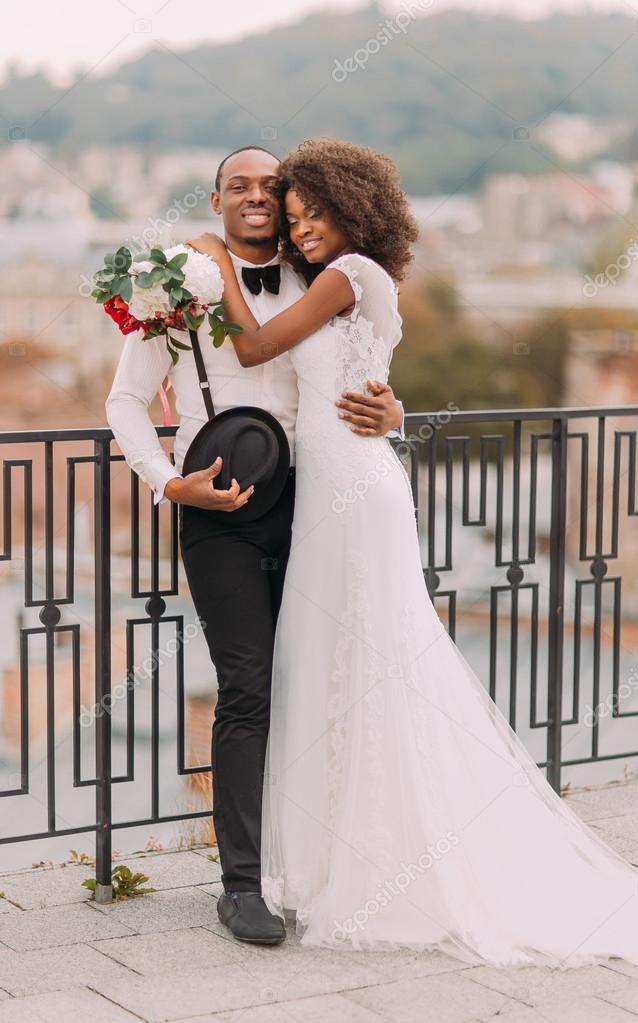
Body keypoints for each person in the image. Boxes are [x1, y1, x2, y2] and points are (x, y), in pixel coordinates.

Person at [188, 136, 638, 971]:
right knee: (340, 667)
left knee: (371, 664)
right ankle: (342, 855)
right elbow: (352, 372)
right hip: (333, 492)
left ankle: (383, 861)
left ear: (354, 209)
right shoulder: (333, 281)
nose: (301, 231)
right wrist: (398, 411)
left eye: (313, 216)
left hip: (354, 497)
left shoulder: (355, 275)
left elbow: (256, 348)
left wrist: (212, 262)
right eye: (295, 218)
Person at [105, 145, 405, 946]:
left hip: (316, 503)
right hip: (220, 510)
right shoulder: (175, 288)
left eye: (269, 186)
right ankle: (241, 884)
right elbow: (126, 398)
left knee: (317, 680)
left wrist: (395, 410)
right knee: (247, 684)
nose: (257, 197)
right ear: (214, 201)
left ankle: (309, 861)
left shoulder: (322, 271)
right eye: (237, 186)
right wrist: (168, 481)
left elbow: (362, 360)